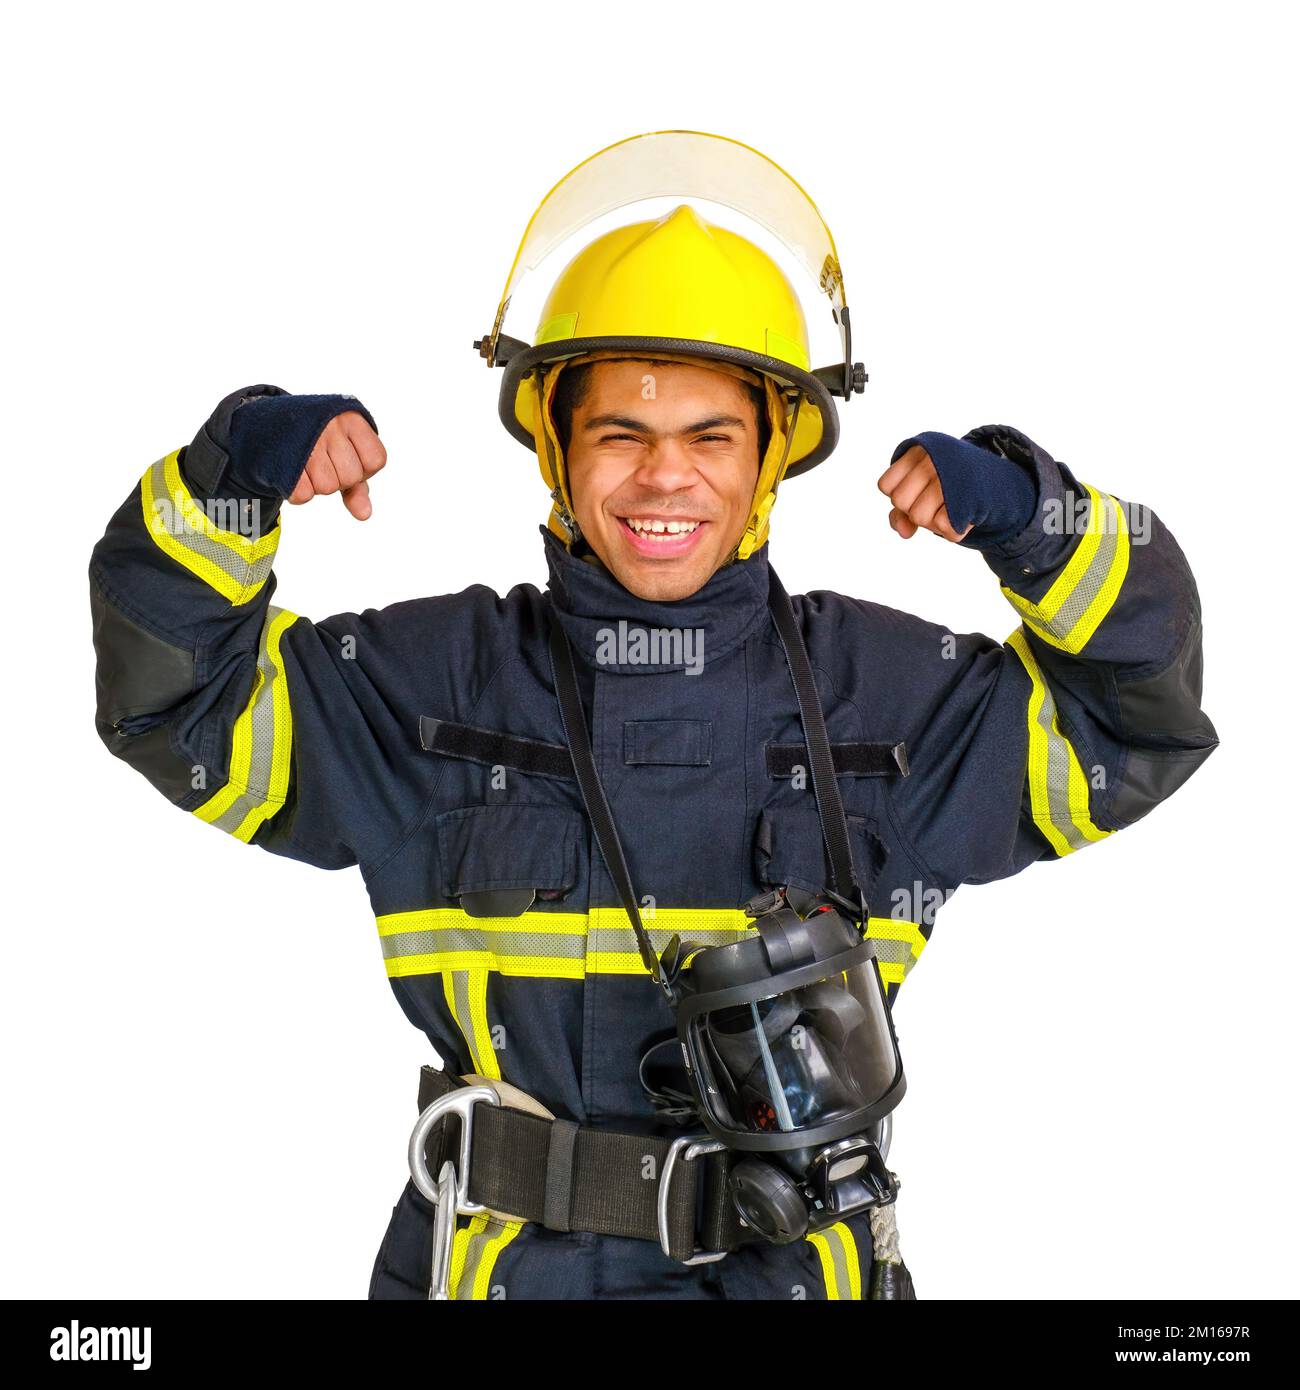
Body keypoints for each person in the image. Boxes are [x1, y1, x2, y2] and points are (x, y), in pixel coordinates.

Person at [89, 132, 1218, 1301]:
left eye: (710, 436)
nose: (663, 478)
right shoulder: (430, 683)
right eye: (620, 433)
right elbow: (180, 705)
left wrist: (1037, 521)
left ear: (772, 454)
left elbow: (1136, 722)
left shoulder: (892, 695)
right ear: (556, 454)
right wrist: (226, 482)